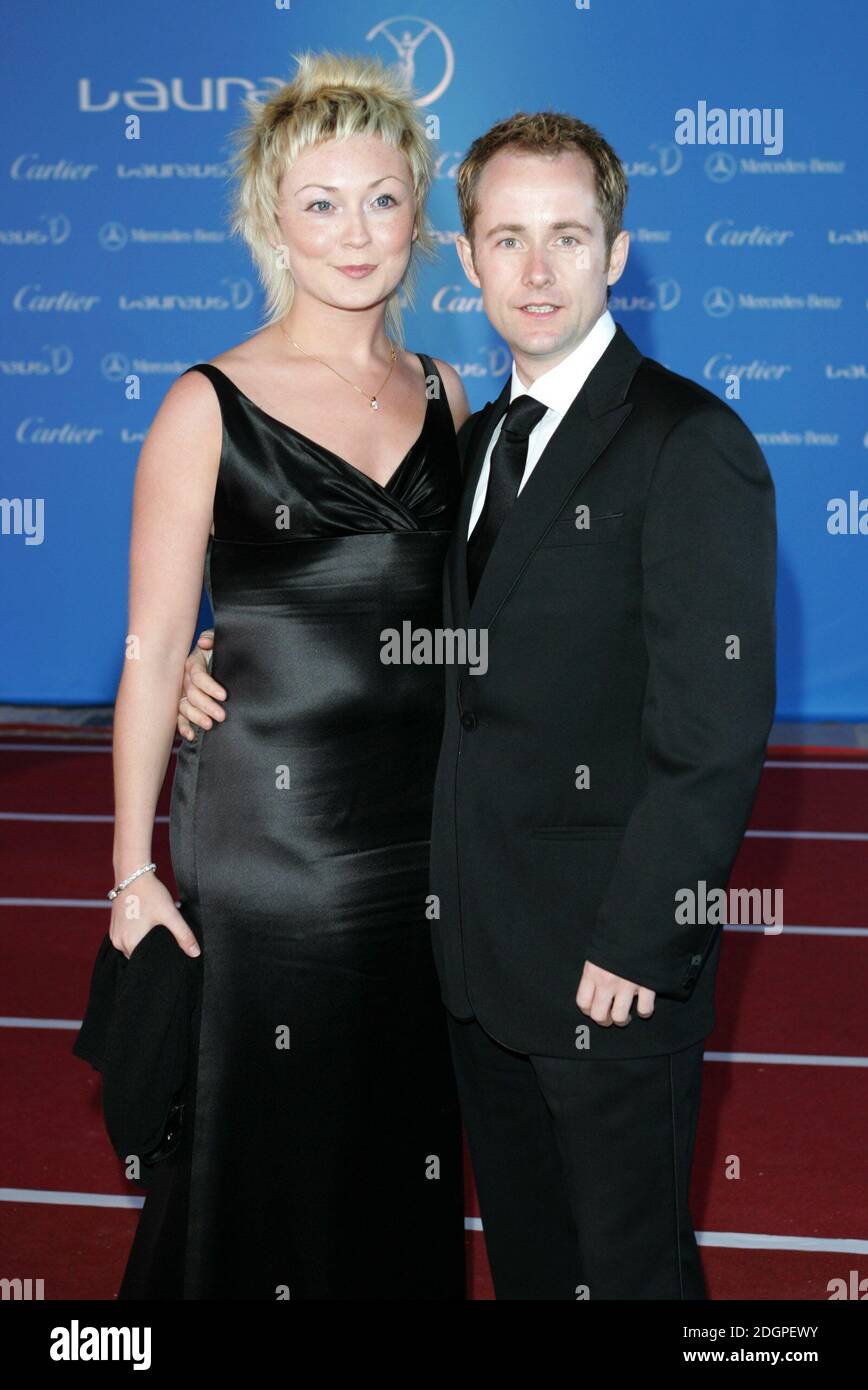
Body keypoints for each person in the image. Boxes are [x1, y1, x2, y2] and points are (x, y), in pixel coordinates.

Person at [180, 111, 777, 1301]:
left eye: (567, 237)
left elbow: (714, 729)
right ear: (467, 256)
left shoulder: (688, 440)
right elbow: (412, 622)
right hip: (473, 960)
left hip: (607, 960)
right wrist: (237, 645)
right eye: (507, 238)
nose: (537, 270)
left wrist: (641, 940)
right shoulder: (479, 435)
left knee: (631, 1274)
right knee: (534, 1268)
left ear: (616, 253)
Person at [109, 51, 469, 1301]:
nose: (355, 232)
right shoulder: (206, 404)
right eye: (320, 202)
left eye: (380, 198)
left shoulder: (448, 392)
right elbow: (155, 648)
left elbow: (457, 612)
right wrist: (130, 872)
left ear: (417, 214)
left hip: (421, 838)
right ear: (271, 219)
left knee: (402, 1129)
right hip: (269, 842)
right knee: (262, 1132)